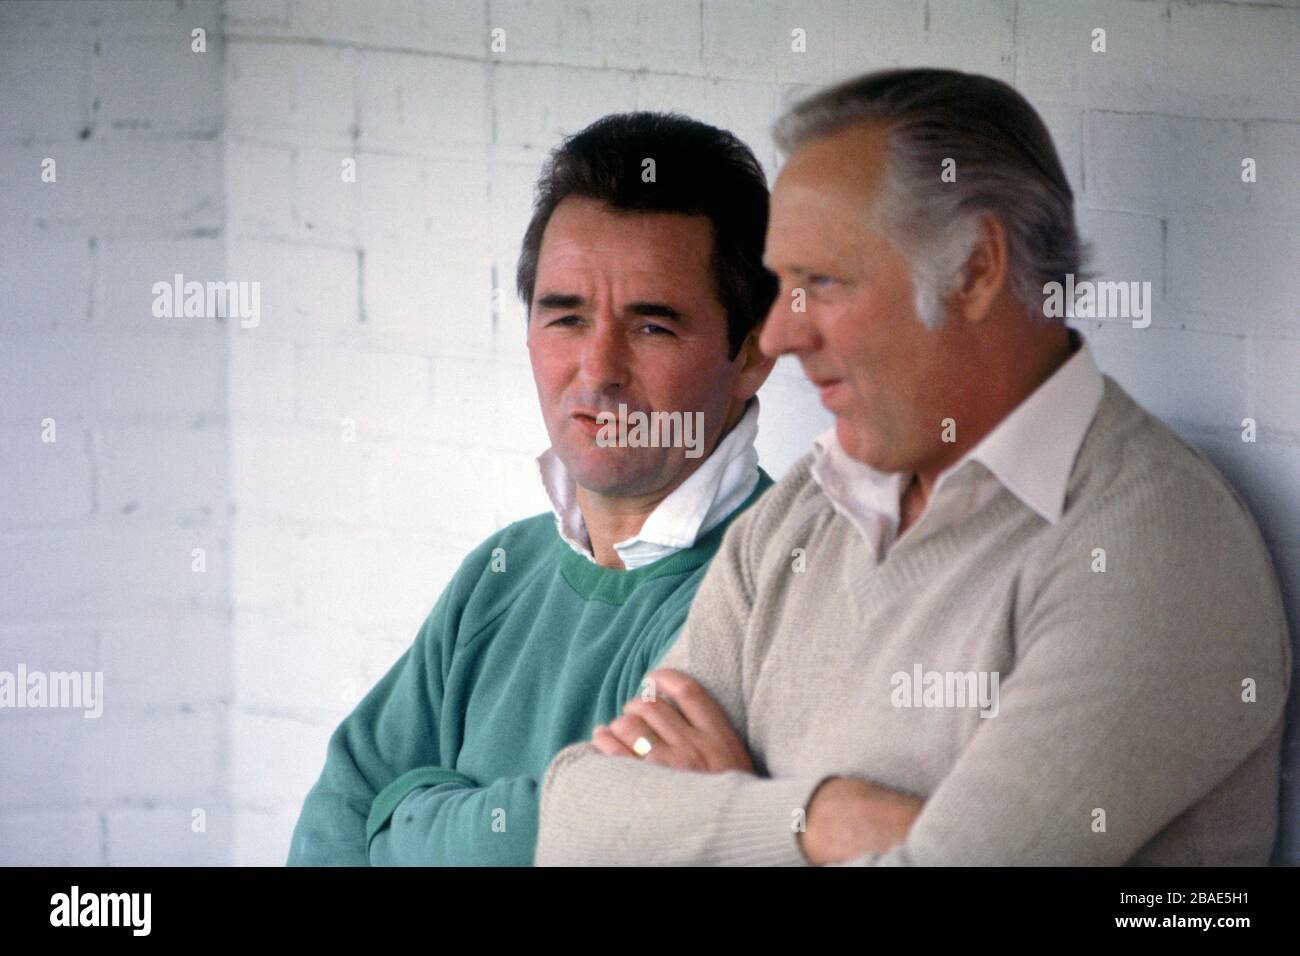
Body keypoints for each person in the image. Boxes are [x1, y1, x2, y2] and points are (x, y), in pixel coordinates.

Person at [535, 69, 1292, 866]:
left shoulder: (1151, 546)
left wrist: (719, 817)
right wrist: (819, 822)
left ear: (975, 269)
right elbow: (577, 822)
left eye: (821, 282)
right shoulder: (807, 507)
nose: (780, 339)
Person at [287, 111, 778, 865]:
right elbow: (336, 819)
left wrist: (406, 818)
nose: (598, 369)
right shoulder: (501, 571)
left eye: (652, 327)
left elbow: (617, 835)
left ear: (750, 355)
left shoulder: (770, 588)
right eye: (566, 317)